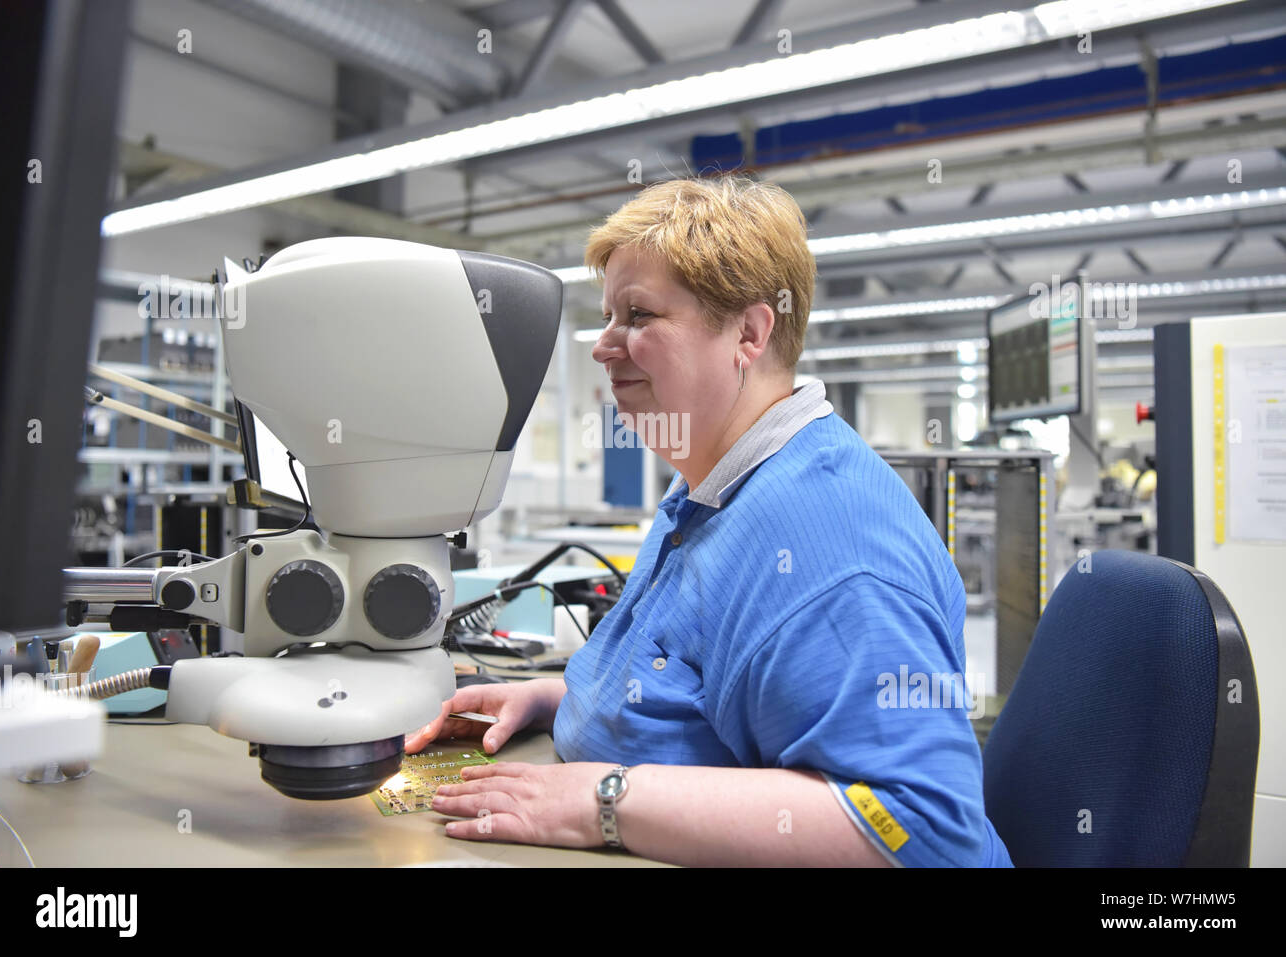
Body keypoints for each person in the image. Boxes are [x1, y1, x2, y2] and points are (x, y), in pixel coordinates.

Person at [406, 175, 1013, 867]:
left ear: (749, 333)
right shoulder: (714, 481)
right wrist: (557, 699)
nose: (604, 345)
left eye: (638, 316)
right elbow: (691, 673)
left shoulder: (831, 544)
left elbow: (924, 829)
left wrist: (602, 799)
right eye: (609, 316)